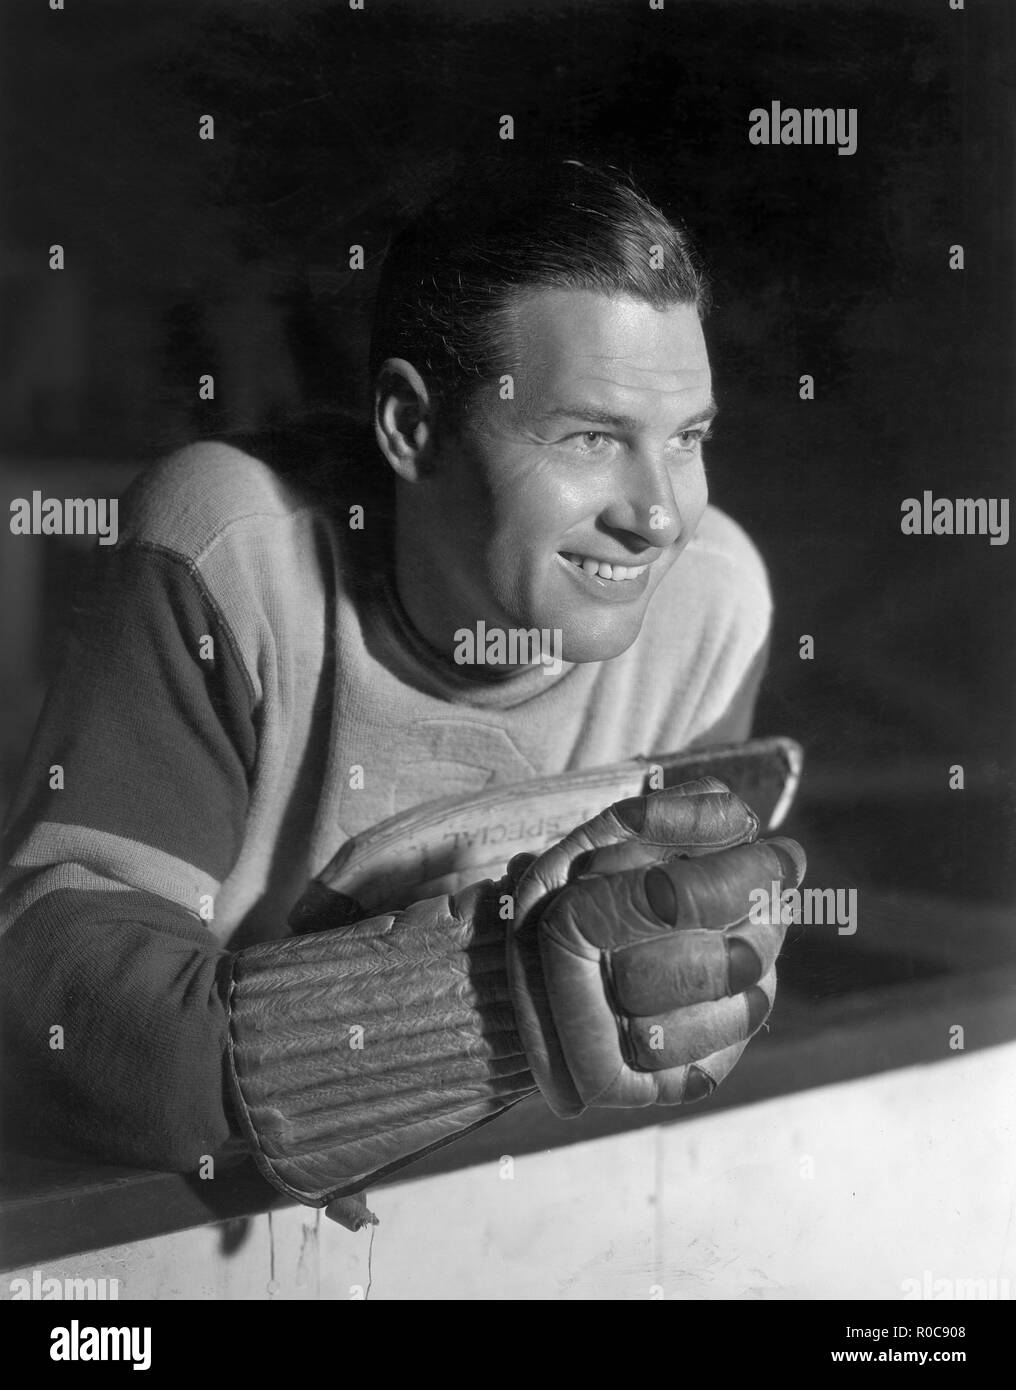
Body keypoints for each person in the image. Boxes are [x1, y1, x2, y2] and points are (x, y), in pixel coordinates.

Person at [0, 159, 805, 1217]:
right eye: (592, 438)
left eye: (687, 439)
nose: (657, 516)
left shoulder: (711, 599)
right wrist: (502, 999)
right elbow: (58, 1018)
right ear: (408, 426)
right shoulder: (230, 541)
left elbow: (658, 1004)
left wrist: (694, 972)